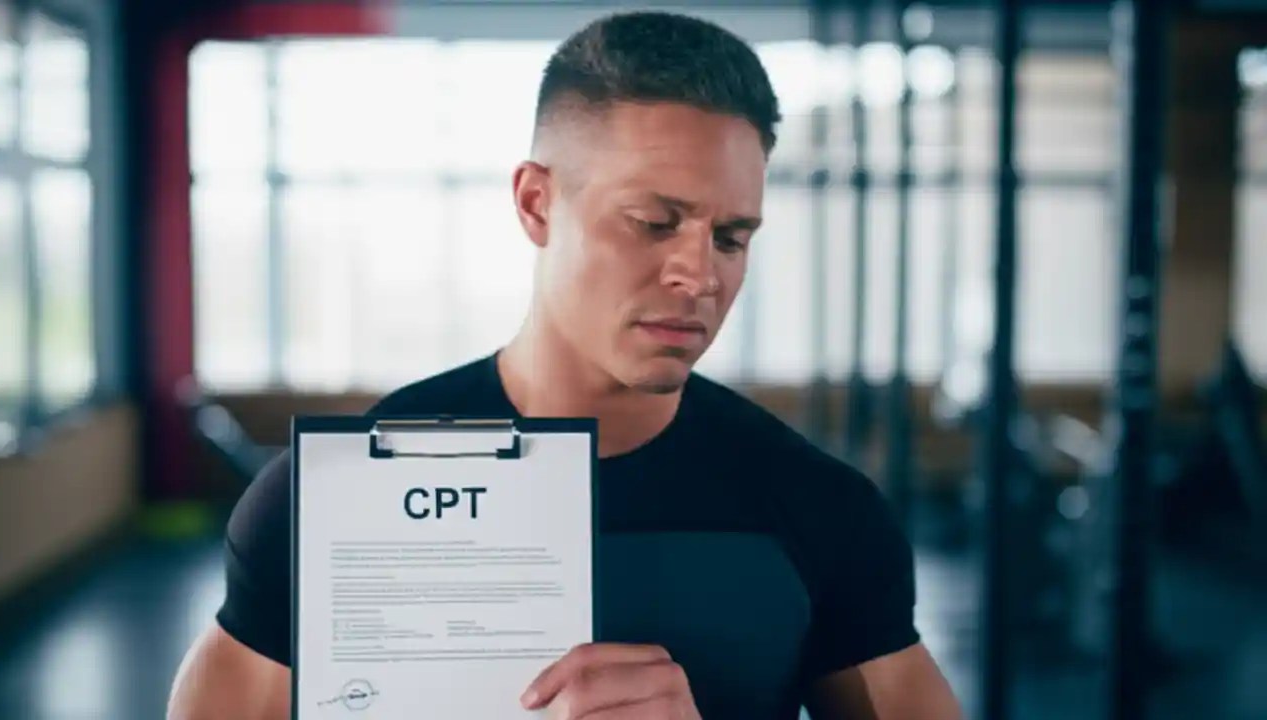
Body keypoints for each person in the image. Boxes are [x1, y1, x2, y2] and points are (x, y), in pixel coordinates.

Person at [168, 10, 961, 720]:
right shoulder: (328, 500)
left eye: (731, 237)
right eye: (655, 222)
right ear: (537, 204)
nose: (701, 274)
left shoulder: (822, 510)